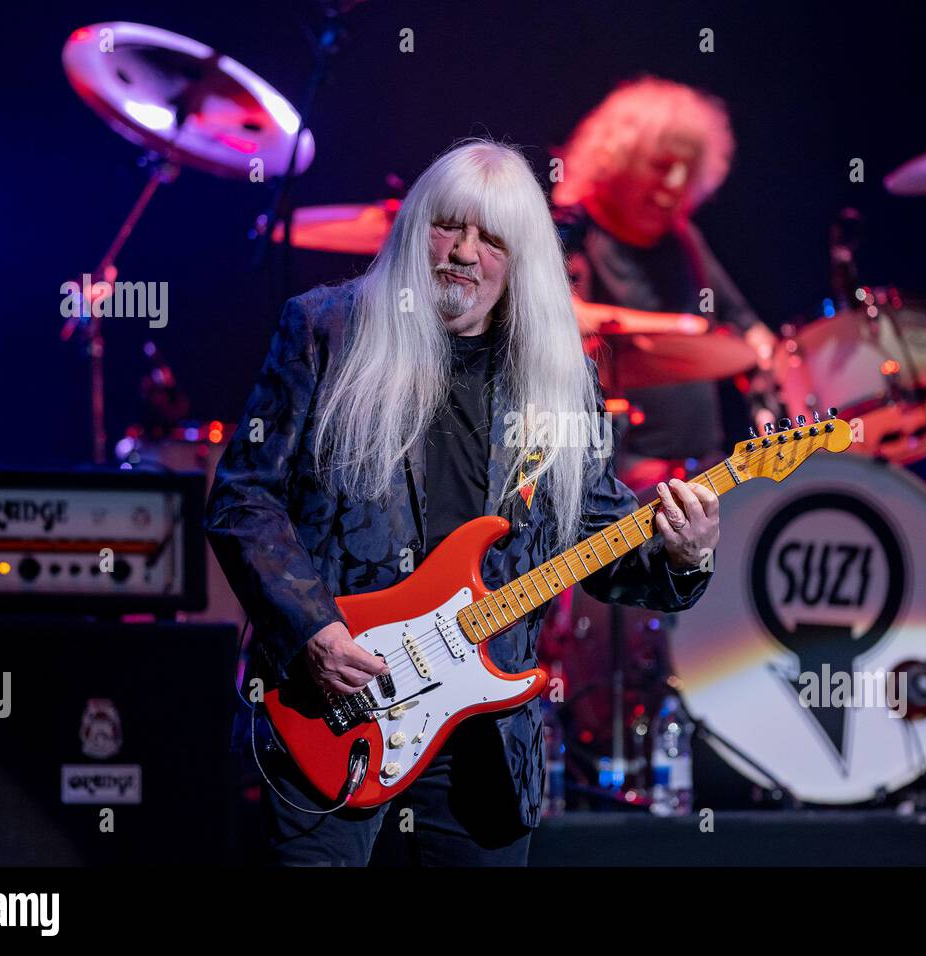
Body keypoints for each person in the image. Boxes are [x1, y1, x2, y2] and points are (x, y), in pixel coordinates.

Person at [206, 140, 720, 866]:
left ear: (524, 260)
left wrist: (683, 555)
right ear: (416, 229)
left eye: (492, 238)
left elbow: (594, 538)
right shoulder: (327, 332)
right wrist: (312, 630)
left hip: (482, 738)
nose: (463, 253)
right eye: (448, 226)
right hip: (332, 711)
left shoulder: (558, 380)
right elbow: (243, 496)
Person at [553, 76, 778, 492]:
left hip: (706, 471)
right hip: (615, 477)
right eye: (660, 165)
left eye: (686, 171)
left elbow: (747, 326)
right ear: (614, 160)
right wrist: (675, 329)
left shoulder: (685, 239)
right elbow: (561, 316)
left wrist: (772, 380)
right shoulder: (573, 231)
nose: (674, 184)